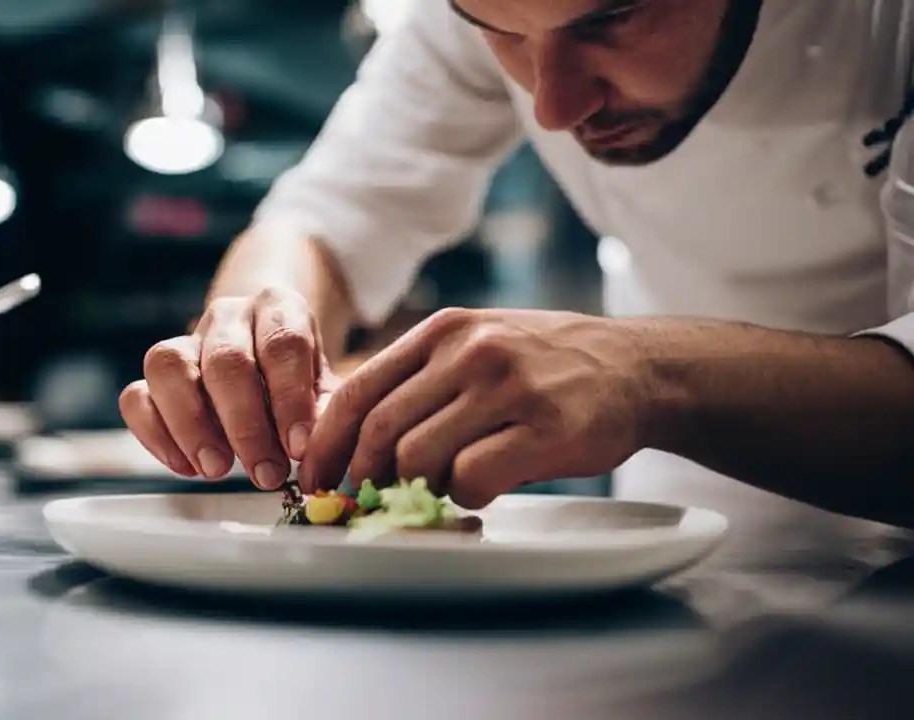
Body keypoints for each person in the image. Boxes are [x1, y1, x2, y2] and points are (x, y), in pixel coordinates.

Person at [121, 0, 914, 601]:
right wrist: (258, 326)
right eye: (501, 33)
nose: (553, 107)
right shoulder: (469, 15)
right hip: (692, 549)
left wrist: (646, 375)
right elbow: (324, 223)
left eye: (614, 18)